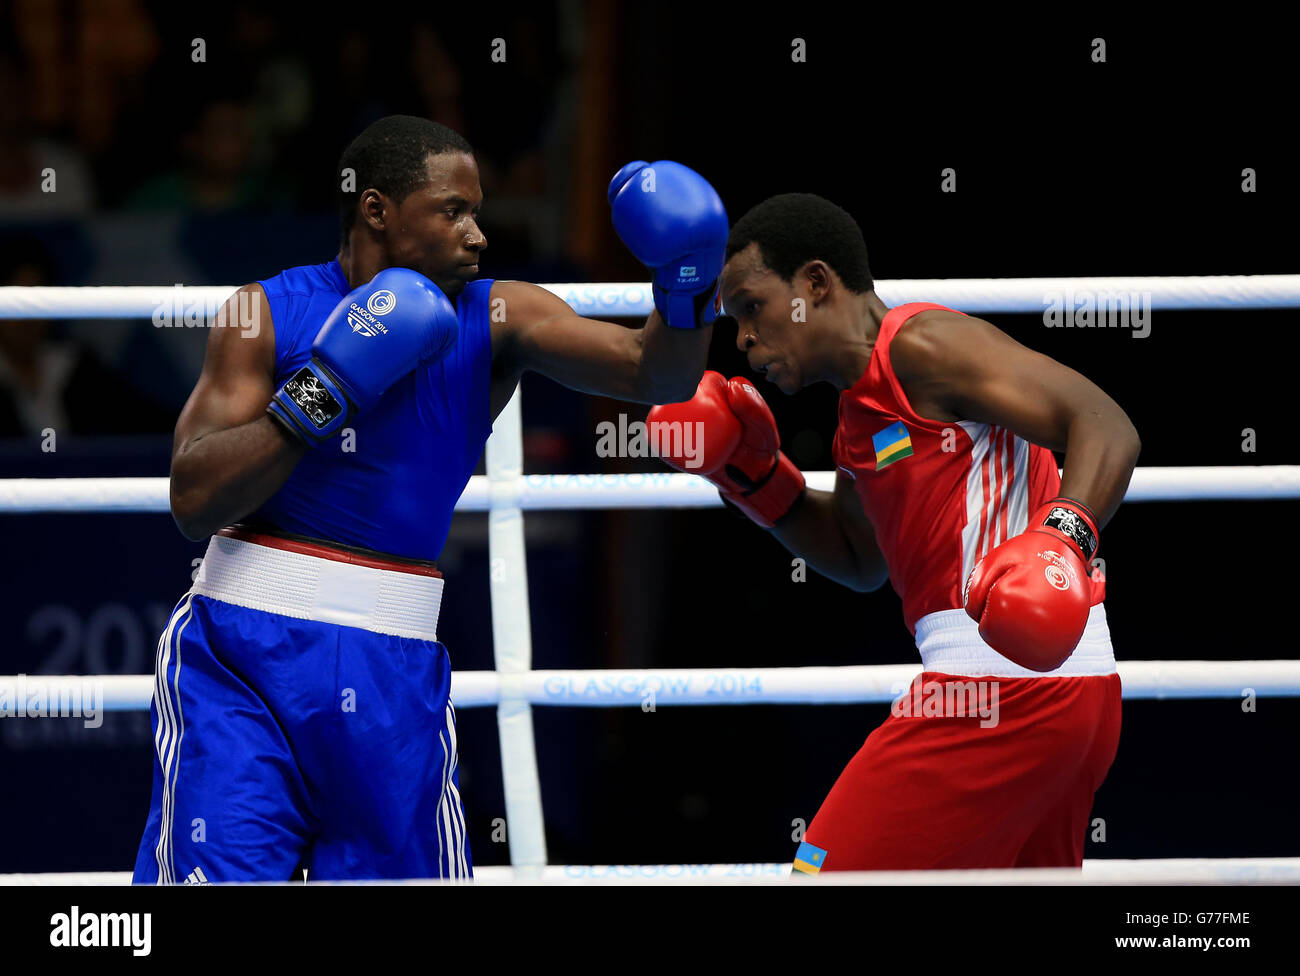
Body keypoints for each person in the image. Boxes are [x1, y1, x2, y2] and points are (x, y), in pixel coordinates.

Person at [132, 115, 726, 883]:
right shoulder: (265, 313)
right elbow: (193, 497)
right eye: (454, 211)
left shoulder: (499, 315)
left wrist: (689, 282)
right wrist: (324, 392)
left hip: (390, 665)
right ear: (377, 209)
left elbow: (656, 376)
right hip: (240, 655)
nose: (478, 235)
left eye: (476, 212)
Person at [648, 193, 1139, 871]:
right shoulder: (859, 416)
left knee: (823, 874)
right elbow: (858, 560)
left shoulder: (924, 346)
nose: (743, 339)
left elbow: (1102, 419)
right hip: (1058, 696)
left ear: (815, 285)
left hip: (1001, 690)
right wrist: (753, 477)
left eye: (752, 307)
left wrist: (1062, 538)